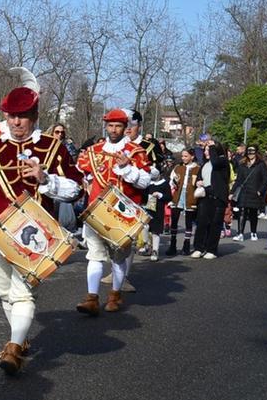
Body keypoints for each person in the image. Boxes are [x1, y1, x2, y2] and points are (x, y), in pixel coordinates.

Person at [0, 81, 81, 374]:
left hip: (36, 234)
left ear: (35, 116)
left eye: (22, 116)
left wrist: (46, 179)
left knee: (22, 292)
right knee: (3, 292)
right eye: (11, 115)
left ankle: (13, 348)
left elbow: (75, 188)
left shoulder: (53, 147)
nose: (15, 122)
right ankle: (20, 338)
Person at [75, 109, 151, 315]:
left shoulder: (136, 152)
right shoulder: (93, 151)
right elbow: (78, 172)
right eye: (111, 125)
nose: (114, 129)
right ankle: (91, 298)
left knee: (118, 258)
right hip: (97, 212)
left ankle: (115, 295)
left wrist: (127, 168)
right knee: (94, 256)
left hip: (123, 215)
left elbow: (145, 182)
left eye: (118, 126)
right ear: (105, 126)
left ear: (125, 128)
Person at [191, 139, 230, 259]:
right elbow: (199, 177)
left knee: (215, 224)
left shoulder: (222, 161)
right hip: (205, 195)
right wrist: (198, 182)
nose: (207, 152)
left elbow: (216, 162)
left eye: (209, 149)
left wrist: (213, 147)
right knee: (202, 223)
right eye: (206, 150)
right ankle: (199, 248)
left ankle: (211, 250)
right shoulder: (204, 164)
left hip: (218, 196)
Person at [231, 145, 267, 241]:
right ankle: (240, 233)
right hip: (244, 192)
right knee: (242, 212)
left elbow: (265, 180)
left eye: (252, 151)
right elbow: (238, 180)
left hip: (255, 192)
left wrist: (260, 191)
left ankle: (253, 232)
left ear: (256, 152)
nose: (250, 153)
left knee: (253, 213)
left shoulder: (261, 165)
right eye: (249, 151)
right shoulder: (242, 165)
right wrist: (232, 192)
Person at [167, 148, 199, 255]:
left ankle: (186, 244)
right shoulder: (178, 168)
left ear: (192, 156)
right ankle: (173, 245)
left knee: (189, 222)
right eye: (182, 156)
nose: (183, 158)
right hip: (178, 195)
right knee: (174, 221)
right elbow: (172, 181)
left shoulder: (197, 168)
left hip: (190, 196)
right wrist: (174, 182)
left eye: (186, 156)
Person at [143, 167, 172, 260]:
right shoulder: (148, 184)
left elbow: (169, 197)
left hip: (158, 210)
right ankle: (147, 244)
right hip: (147, 208)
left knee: (156, 231)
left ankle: (155, 251)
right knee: (145, 227)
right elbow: (142, 195)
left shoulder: (164, 184)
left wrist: (160, 195)